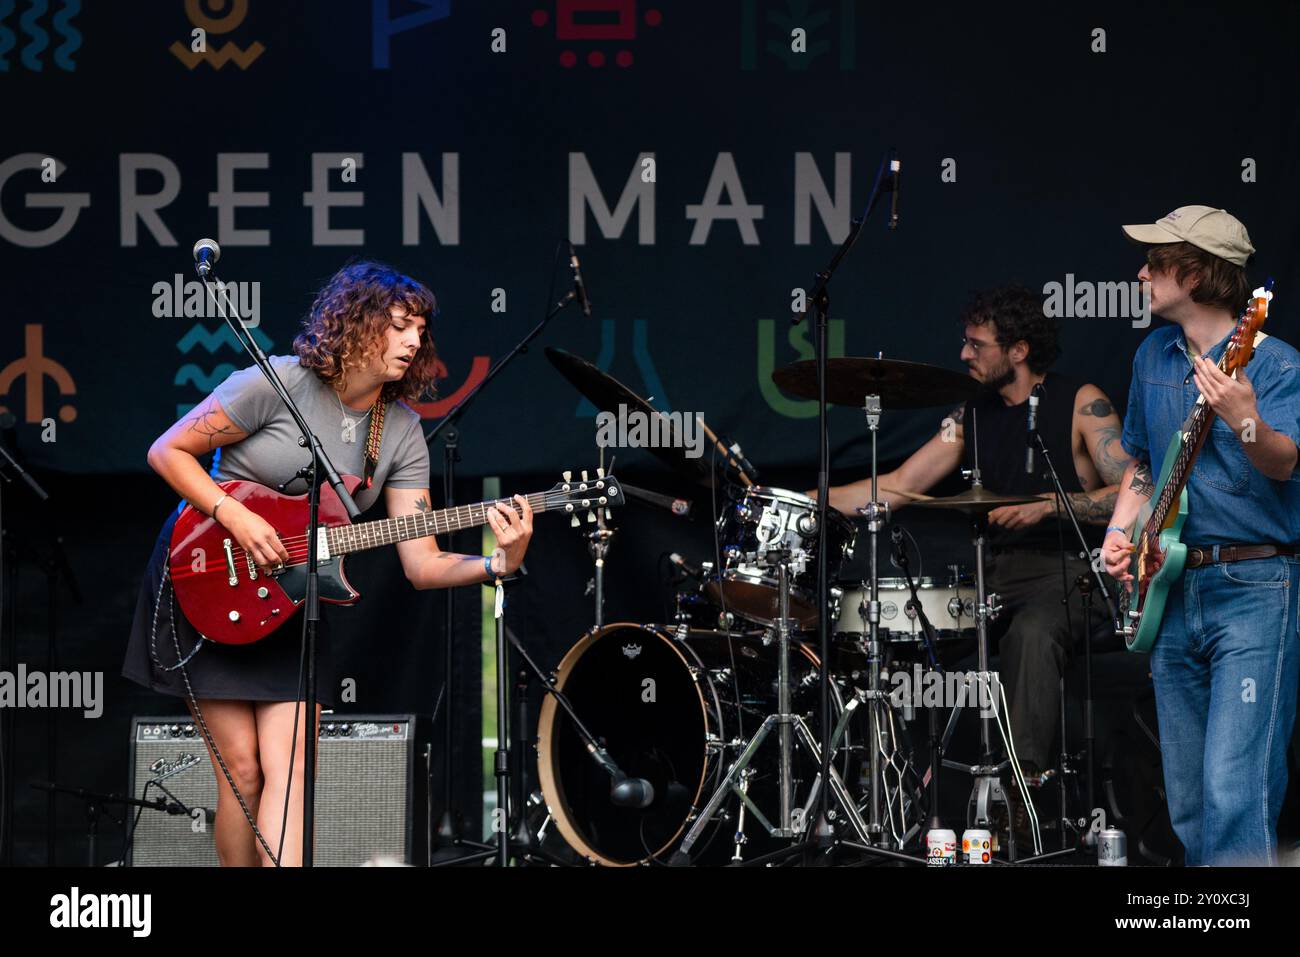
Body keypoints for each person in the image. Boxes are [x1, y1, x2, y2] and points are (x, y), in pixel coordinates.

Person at [122, 261, 534, 866]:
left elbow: (421, 563)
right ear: (357, 324)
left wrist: (496, 565)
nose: (414, 341)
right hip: (207, 573)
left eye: (420, 330)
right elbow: (168, 450)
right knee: (242, 772)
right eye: (399, 326)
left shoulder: (399, 433)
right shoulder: (275, 382)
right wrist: (237, 515)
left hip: (293, 605)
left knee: (290, 768)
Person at [821, 283, 1131, 784]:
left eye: (976, 344)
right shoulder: (969, 417)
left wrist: (1047, 506)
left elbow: (1130, 493)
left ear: (1019, 350)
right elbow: (901, 485)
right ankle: (901, 784)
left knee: (1032, 633)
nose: (964, 354)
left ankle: (1023, 791)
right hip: (992, 577)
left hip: (1072, 575)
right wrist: (812, 499)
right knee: (905, 636)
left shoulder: (1081, 402)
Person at [1102, 206, 1300, 865]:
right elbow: (1140, 461)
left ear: (1193, 271)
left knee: (1233, 788)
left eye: (1155, 262)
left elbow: (1282, 462)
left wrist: (1244, 419)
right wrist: (1118, 530)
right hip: (1169, 588)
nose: (1141, 272)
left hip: (1253, 587)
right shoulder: (1151, 356)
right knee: (1187, 796)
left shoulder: (1274, 366)